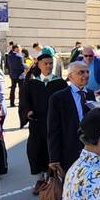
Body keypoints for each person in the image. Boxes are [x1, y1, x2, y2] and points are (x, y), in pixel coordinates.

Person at [19, 49, 65, 180]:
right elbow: (24, 100)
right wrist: (27, 111)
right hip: (37, 122)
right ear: (38, 64)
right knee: (35, 150)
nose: (49, 66)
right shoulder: (32, 82)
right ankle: (39, 179)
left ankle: (52, 178)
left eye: (51, 63)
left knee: (53, 149)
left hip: (54, 123)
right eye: (45, 63)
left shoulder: (60, 83)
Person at [48, 60, 95, 177]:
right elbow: (53, 129)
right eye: (81, 72)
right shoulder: (58, 98)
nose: (86, 75)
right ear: (70, 76)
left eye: (87, 72)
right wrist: (54, 157)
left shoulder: (91, 94)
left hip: (90, 148)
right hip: (69, 149)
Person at [6, 43, 26, 109]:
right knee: (21, 90)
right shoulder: (19, 56)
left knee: (13, 89)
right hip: (20, 75)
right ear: (16, 48)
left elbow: (7, 65)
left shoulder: (9, 56)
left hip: (12, 74)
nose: (20, 49)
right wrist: (29, 66)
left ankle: (12, 102)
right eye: (19, 48)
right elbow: (22, 66)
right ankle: (21, 102)